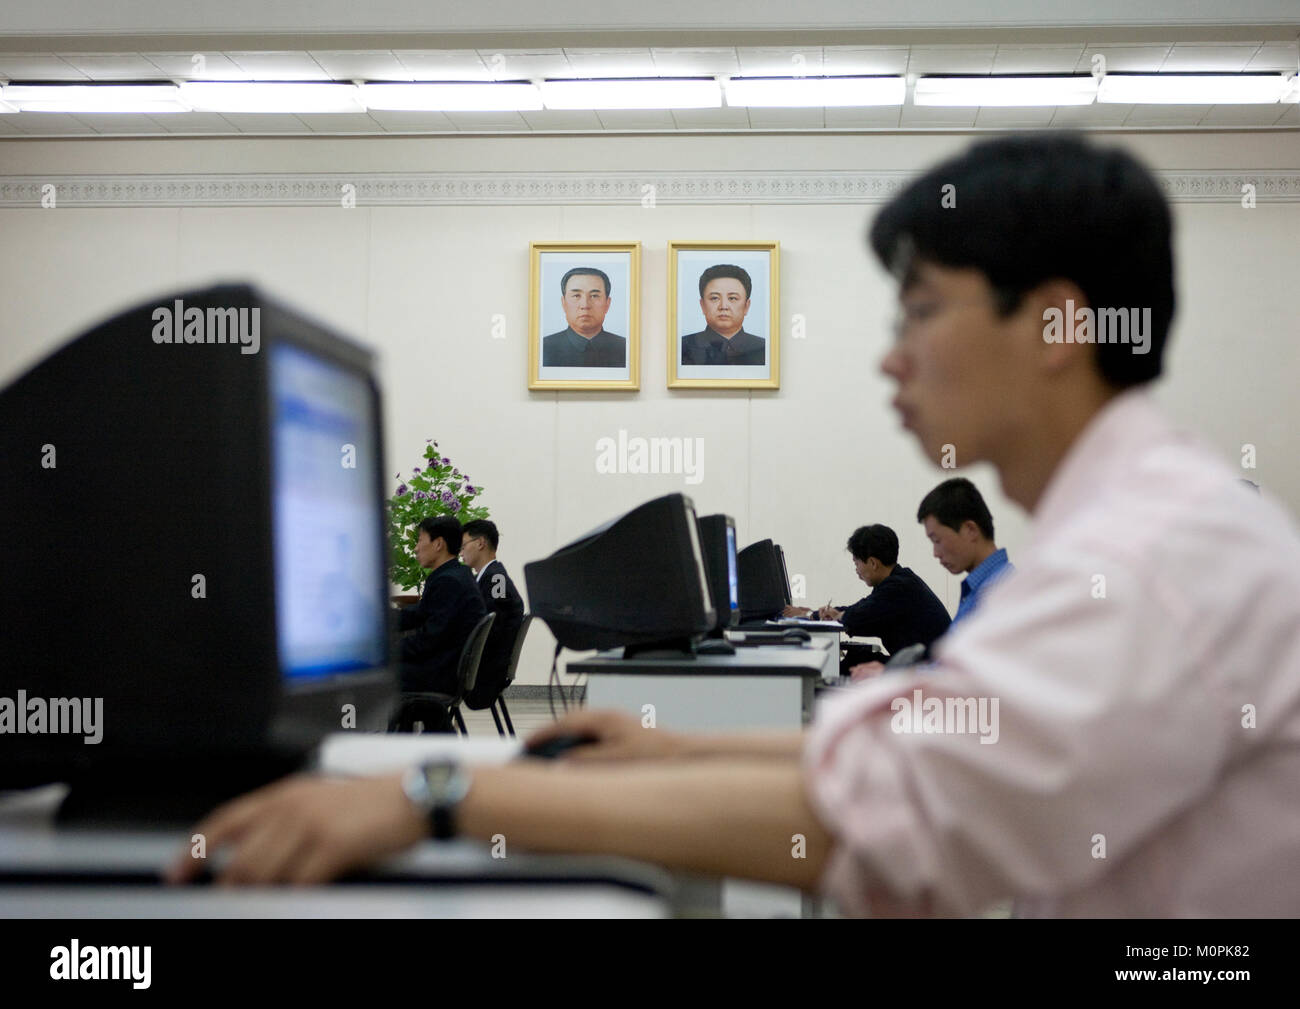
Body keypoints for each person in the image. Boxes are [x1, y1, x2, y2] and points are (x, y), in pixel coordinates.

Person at [169, 133, 1300, 918]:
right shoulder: (1148, 525)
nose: (890, 357)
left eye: (919, 311)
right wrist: (679, 748)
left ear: (1054, 322)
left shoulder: (1151, 557)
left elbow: (897, 820)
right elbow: (945, 740)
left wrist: (444, 794)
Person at [783, 524, 951, 666]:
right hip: (924, 667)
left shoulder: (898, 587)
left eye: (856, 563)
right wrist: (825, 614)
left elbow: (858, 616)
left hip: (928, 673)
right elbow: (863, 608)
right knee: (856, 660)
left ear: (872, 563)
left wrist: (814, 616)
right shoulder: (898, 582)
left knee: (851, 665)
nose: (856, 570)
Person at [394, 515, 486, 701]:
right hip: (445, 667)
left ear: (438, 544)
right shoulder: (456, 574)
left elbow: (429, 641)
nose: (416, 548)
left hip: (440, 674)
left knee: (364, 674)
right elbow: (422, 613)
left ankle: (350, 728)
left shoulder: (449, 581)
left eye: (420, 540)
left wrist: (385, 650)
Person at [916, 477, 1014, 631]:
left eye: (937, 540)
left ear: (970, 530)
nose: (935, 553)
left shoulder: (996, 593)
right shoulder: (984, 587)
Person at [458, 519, 525, 710]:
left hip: (484, 675)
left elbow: (493, 627)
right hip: (486, 669)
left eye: (463, 546)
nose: (461, 553)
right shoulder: (491, 577)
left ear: (480, 543)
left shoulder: (496, 579)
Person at [680, 265, 766, 366]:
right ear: (702, 305)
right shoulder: (683, 347)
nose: (724, 306)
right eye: (714, 298)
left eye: (733, 298)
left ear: (746, 306)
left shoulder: (764, 349)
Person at [541, 267, 626, 368]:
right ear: (563, 303)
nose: (585, 305)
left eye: (594, 296)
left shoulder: (626, 348)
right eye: (576, 295)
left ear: (607, 304)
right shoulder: (543, 348)